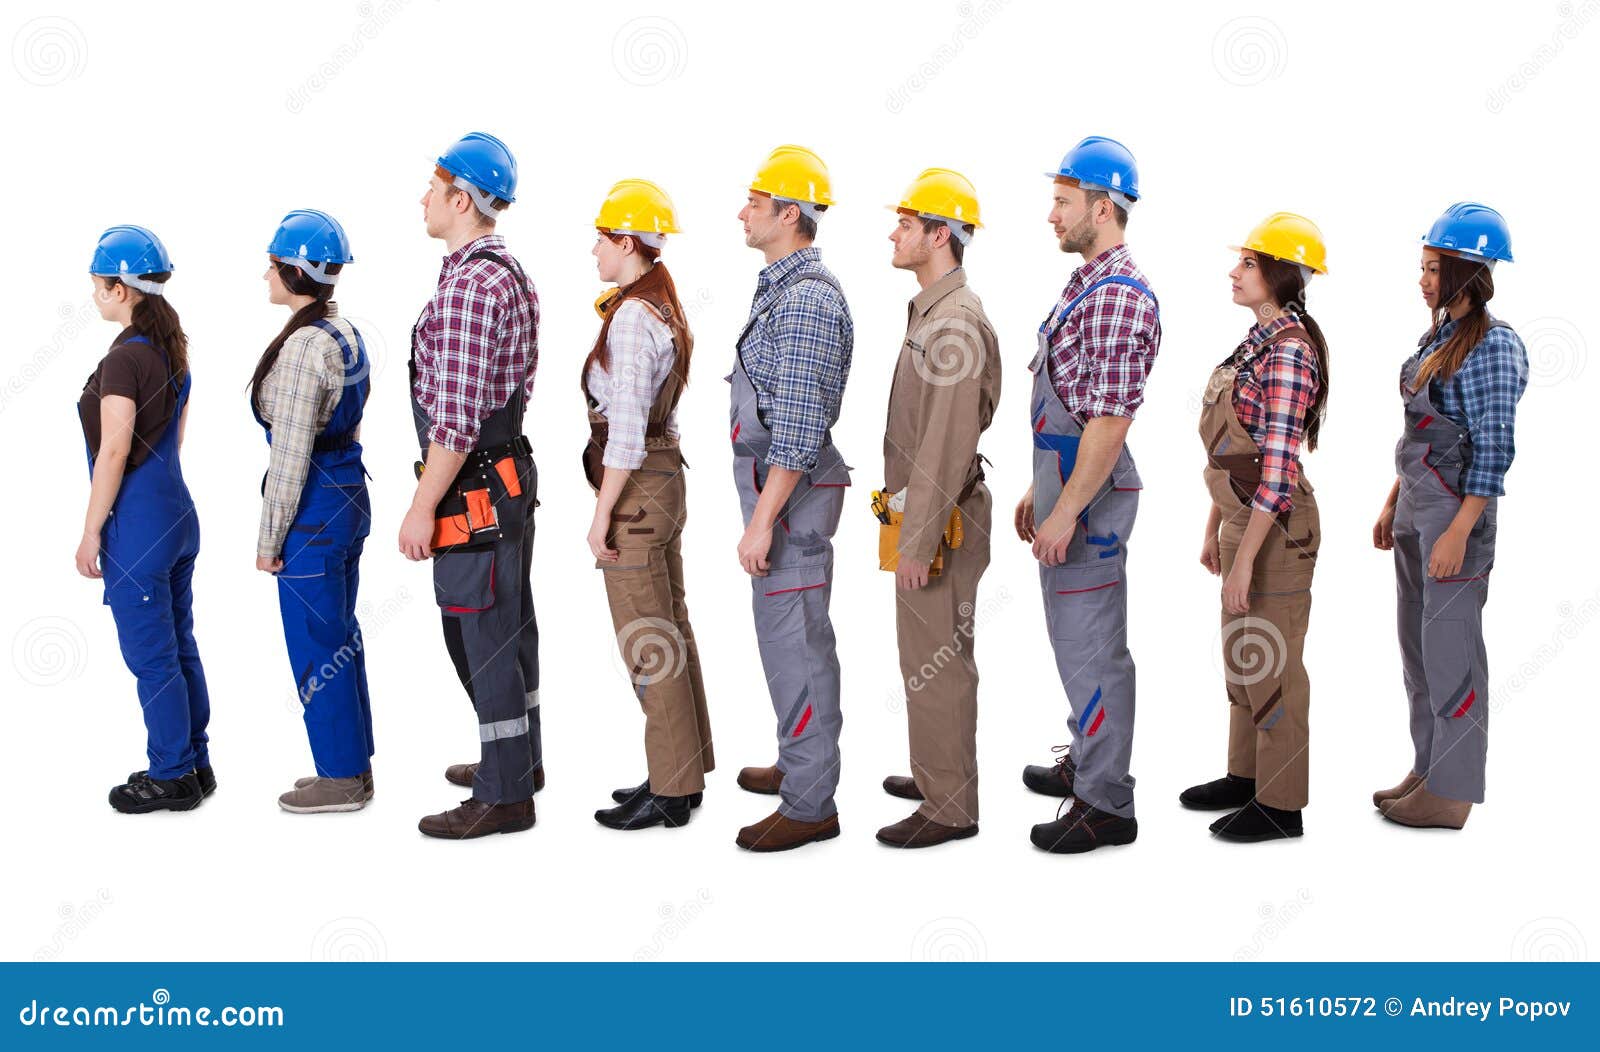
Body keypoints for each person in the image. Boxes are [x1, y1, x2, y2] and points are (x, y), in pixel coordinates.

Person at [1016, 136, 1160, 854]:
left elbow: (1107, 422)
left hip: (1091, 503)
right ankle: (1088, 755)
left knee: (1095, 649)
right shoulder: (1087, 284)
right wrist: (1037, 488)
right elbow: (1069, 398)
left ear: (1102, 208)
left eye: (1063, 202)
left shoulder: (1120, 296)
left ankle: (1106, 802)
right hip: (1067, 486)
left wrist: (1067, 508)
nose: (1052, 215)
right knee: (1078, 646)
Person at [402, 132, 544, 839]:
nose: (423, 197)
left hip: (473, 484)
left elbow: (454, 423)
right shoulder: (507, 272)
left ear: (462, 199)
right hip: (507, 472)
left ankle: (505, 794)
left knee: (480, 635)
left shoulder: (468, 286)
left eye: (433, 186)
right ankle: (517, 759)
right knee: (511, 627)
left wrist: (422, 508)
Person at [1372, 203, 1527, 831]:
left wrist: (1461, 529)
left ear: (1466, 272)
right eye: (1423, 267)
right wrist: (1392, 501)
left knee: (1450, 649)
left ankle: (1453, 793)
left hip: (1454, 519)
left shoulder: (1496, 346)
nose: (1423, 280)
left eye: (1433, 268)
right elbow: (1423, 431)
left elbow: (1493, 447)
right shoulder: (1437, 339)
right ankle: (1429, 765)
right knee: (1416, 646)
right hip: (1417, 507)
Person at [1180, 213, 1331, 842]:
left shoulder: (1291, 352)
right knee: (1242, 656)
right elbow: (1231, 452)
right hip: (1243, 520)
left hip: (1279, 527)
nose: (1234, 272)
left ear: (1276, 273)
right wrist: (1217, 528)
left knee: (1273, 662)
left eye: (1247, 263)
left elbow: (1276, 468)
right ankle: (1246, 776)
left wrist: (1245, 558)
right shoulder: (1256, 342)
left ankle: (1281, 803)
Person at [729, 145, 855, 852]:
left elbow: (800, 429)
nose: (741, 211)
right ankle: (796, 761)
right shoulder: (782, 287)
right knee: (784, 642)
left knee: (799, 644)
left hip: (791, 499)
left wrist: (762, 522)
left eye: (753, 201)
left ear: (787, 214)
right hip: (778, 496)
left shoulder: (806, 298)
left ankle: (811, 805)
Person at [583, 179, 714, 831]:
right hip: (664, 479)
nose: (595, 251)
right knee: (670, 627)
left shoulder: (634, 317)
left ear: (627, 241)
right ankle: (680, 773)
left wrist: (602, 513)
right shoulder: (657, 306)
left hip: (637, 486)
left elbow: (627, 429)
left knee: (647, 638)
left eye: (602, 239)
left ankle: (672, 789)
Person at [875, 168, 1000, 849]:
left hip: (939, 520)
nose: (894, 233)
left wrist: (918, 541)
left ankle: (950, 805)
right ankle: (934, 772)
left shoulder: (954, 323)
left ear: (939, 234)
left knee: (940, 661)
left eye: (905, 223)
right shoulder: (931, 311)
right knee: (922, 653)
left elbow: (948, 444)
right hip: (920, 512)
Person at [76, 225, 212, 813]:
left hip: (138, 525)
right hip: (177, 514)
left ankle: (171, 774)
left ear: (118, 288)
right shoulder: (170, 350)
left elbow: (113, 449)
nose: (92, 291)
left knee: (152, 656)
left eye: (96, 282)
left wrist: (90, 531)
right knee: (180, 646)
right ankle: (195, 762)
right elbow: (175, 439)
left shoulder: (125, 359)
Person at [250, 209, 376, 814]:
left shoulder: (303, 347)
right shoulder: (341, 330)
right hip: (347, 491)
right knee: (341, 635)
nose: (265, 272)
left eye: (273, 263)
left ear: (294, 271)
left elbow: (292, 449)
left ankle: (341, 778)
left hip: (314, 506)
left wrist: (270, 538)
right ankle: (352, 764)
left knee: (316, 643)